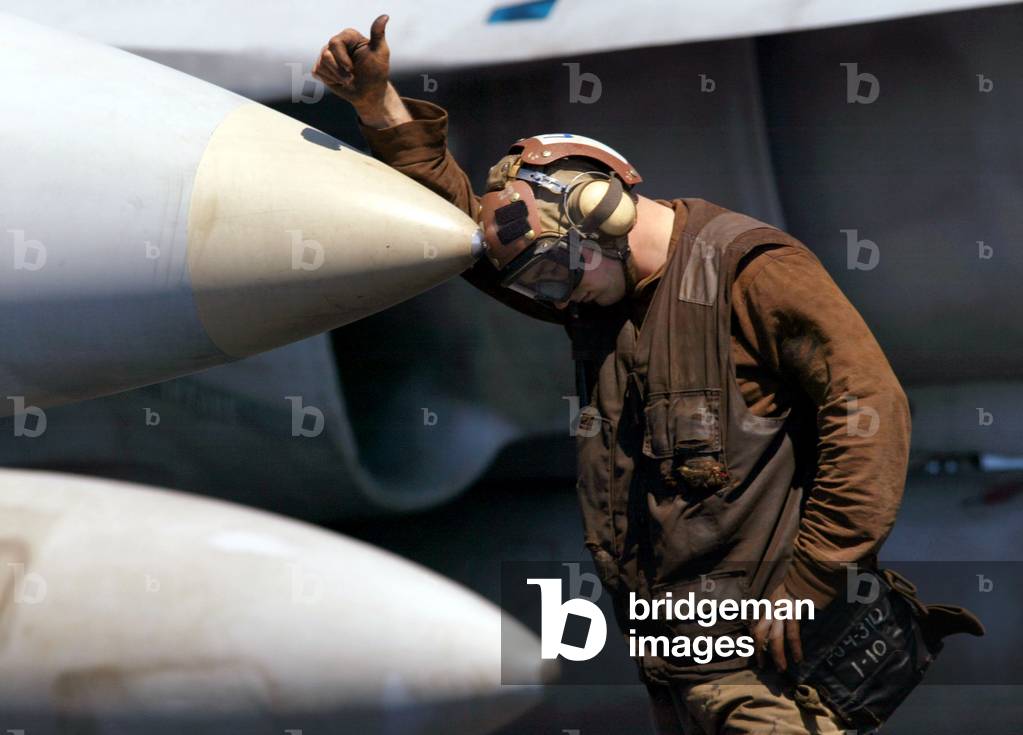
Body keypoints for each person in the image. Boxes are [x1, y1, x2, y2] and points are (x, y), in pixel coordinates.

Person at [313, 15, 912, 734]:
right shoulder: (594, 292)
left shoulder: (751, 272)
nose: (551, 299)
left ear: (605, 216)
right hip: (680, 670)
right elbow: (469, 240)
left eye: (556, 274)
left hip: (767, 674)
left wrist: (811, 581)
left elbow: (867, 410)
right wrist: (380, 108)